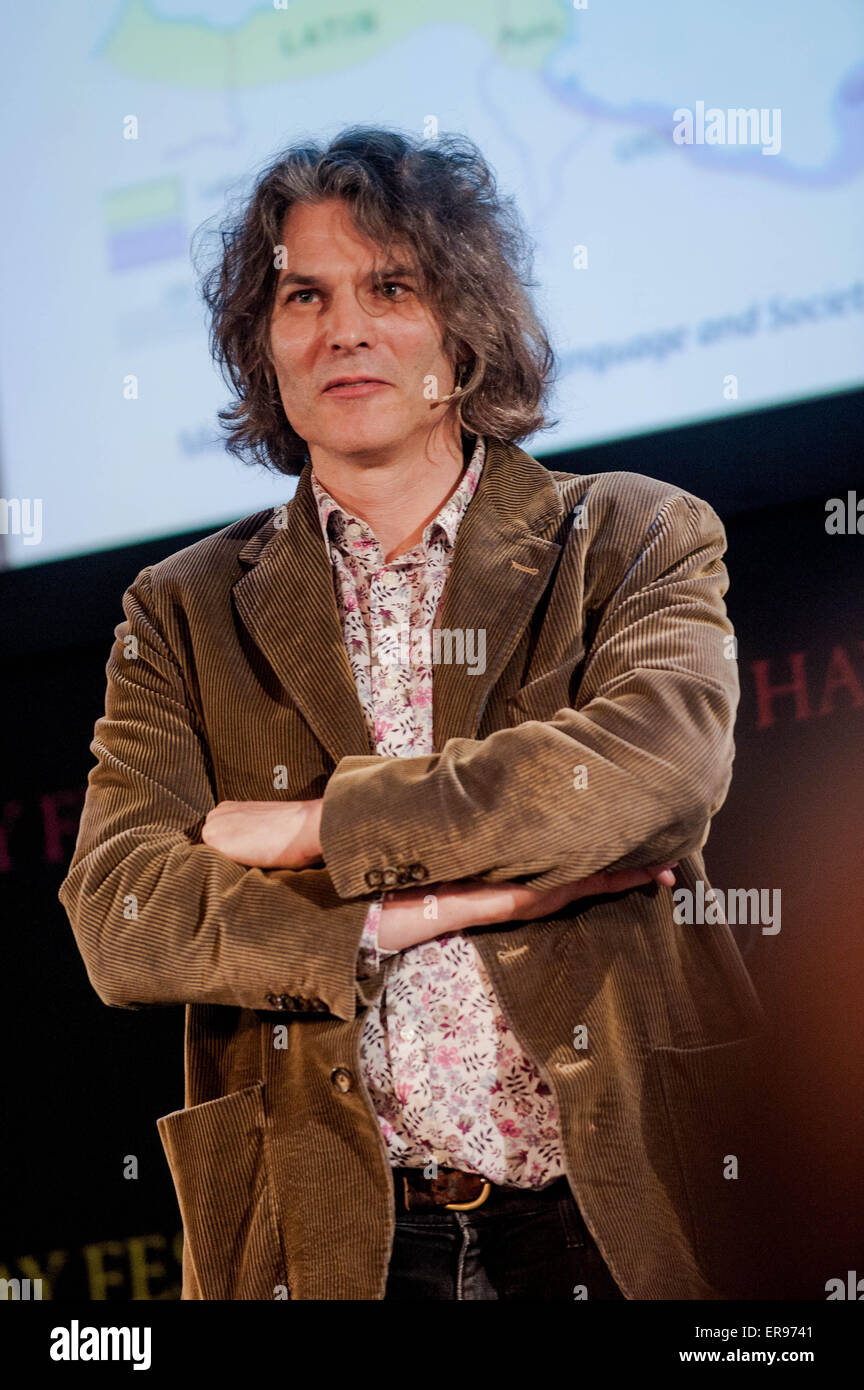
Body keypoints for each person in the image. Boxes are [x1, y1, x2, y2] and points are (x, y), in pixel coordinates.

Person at [58, 125, 767, 1301]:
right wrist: (403, 919)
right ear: (263, 344)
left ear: (464, 323)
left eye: (390, 285)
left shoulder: (636, 531)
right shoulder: (179, 612)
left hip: (616, 1211)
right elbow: (122, 909)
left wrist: (313, 829)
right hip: (337, 1234)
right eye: (303, 295)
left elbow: (654, 774)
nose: (346, 327)